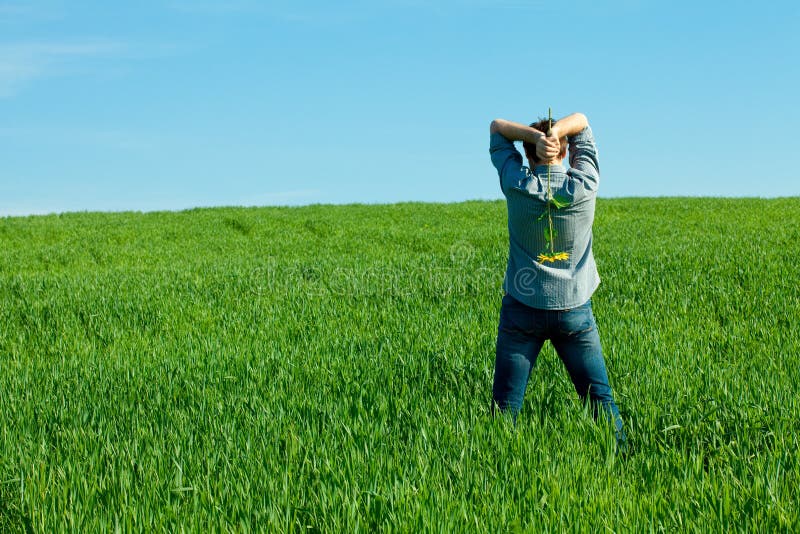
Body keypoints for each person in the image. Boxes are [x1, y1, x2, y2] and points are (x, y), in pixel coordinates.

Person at [488, 112, 626, 448]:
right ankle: (624, 459)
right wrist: (557, 132)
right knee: (600, 402)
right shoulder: (583, 187)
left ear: (529, 153)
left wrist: (535, 139)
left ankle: (495, 470)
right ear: (565, 152)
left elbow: (496, 127)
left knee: (505, 410)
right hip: (574, 311)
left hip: (522, 309)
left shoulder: (518, 185)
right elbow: (583, 122)